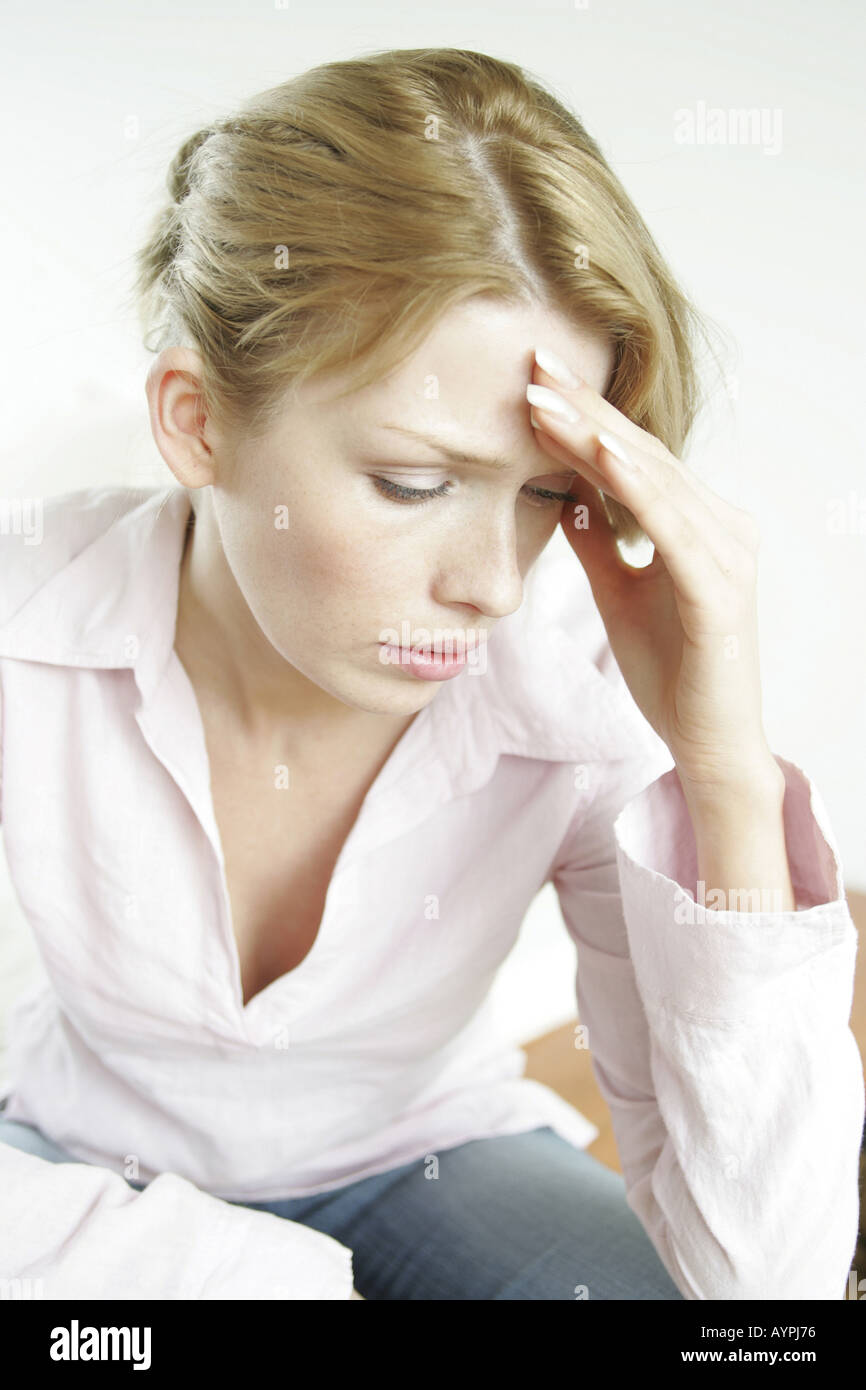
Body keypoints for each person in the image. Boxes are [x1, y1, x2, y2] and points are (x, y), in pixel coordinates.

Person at [0, 47, 861, 1301]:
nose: (491, 586)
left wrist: (719, 769)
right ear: (197, 422)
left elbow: (763, 1293)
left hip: (426, 1156)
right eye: (413, 484)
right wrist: (251, 1277)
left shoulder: (570, 689)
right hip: (70, 1155)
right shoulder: (26, 621)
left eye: (544, 497)